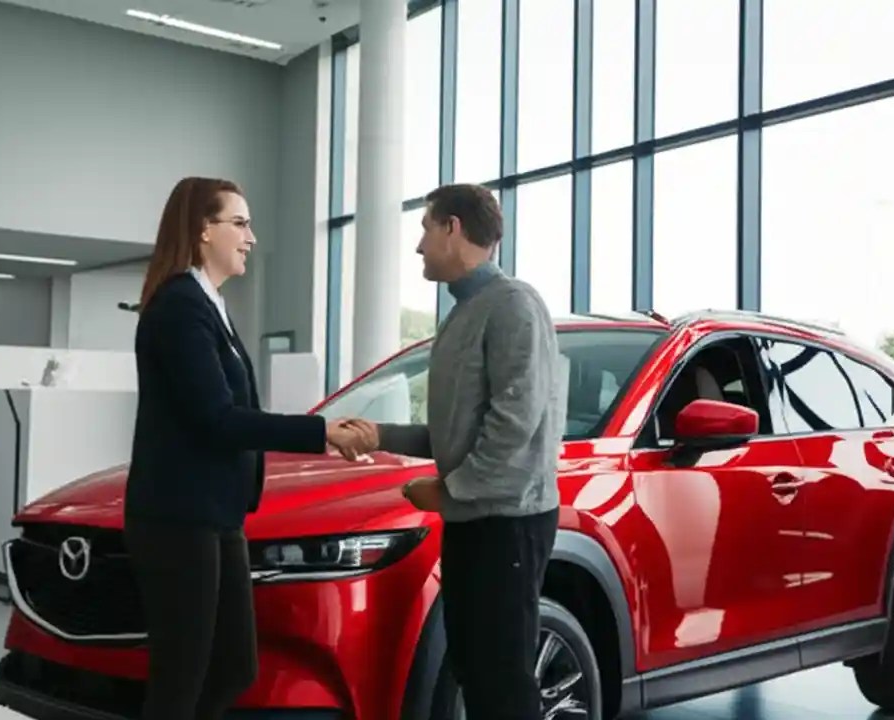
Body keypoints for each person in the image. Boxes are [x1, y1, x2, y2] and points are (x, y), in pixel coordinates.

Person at [124, 176, 367, 720]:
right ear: (203, 230)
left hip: (216, 514)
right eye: (240, 222)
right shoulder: (181, 305)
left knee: (233, 665)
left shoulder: (209, 305)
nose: (251, 237)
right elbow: (216, 418)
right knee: (180, 679)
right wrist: (321, 432)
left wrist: (318, 428)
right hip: (178, 518)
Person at [342, 183, 566, 720]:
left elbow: (514, 420)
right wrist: (380, 436)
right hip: (473, 521)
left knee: (503, 682)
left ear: (453, 228)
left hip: (506, 522)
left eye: (425, 228)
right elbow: (454, 432)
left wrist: (448, 490)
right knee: (474, 669)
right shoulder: (463, 314)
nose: (419, 246)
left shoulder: (513, 305)